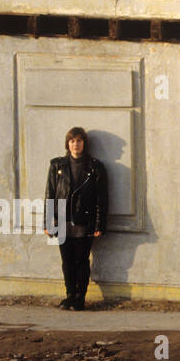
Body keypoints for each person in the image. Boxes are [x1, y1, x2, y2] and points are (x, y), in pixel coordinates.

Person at [44, 127, 108, 311]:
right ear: (67, 144)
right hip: (63, 221)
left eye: (79, 141)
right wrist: (48, 222)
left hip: (84, 221)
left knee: (81, 260)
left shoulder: (95, 167)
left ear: (84, 144)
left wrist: (99, 224)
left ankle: (80, 297)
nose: (75, 144)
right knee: (67, 261)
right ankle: (70, 295)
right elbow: (50, 194)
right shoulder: (57, 166)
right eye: (72, 141)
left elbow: (101, 199)